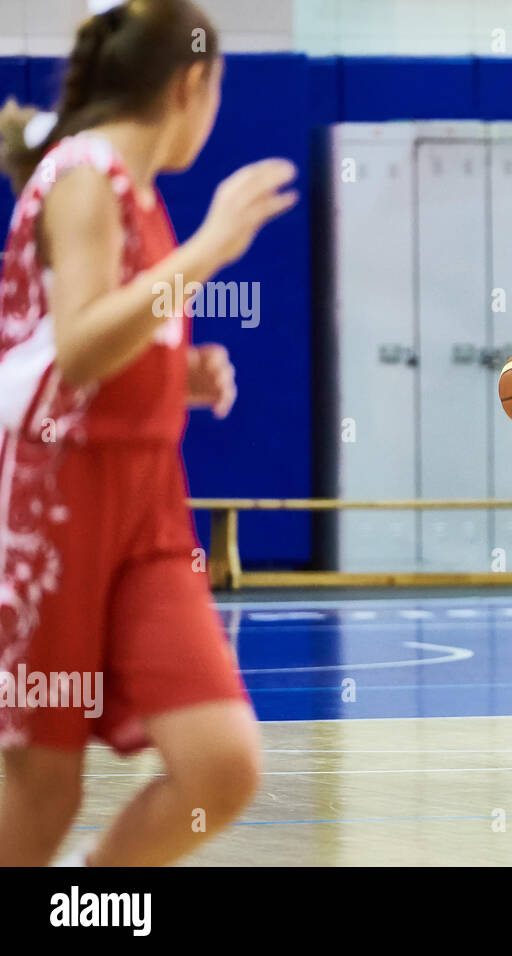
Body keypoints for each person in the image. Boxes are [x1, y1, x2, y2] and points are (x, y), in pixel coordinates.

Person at [0, 0, 297, 865]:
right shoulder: (84, 173)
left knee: (222, 765)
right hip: (52, 496)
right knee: (45, 788)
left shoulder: (137, 194)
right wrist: (210, 249)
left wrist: (178, 373)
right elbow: (84, 343)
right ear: (189, 83)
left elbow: (104, 342)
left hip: (146, 504)